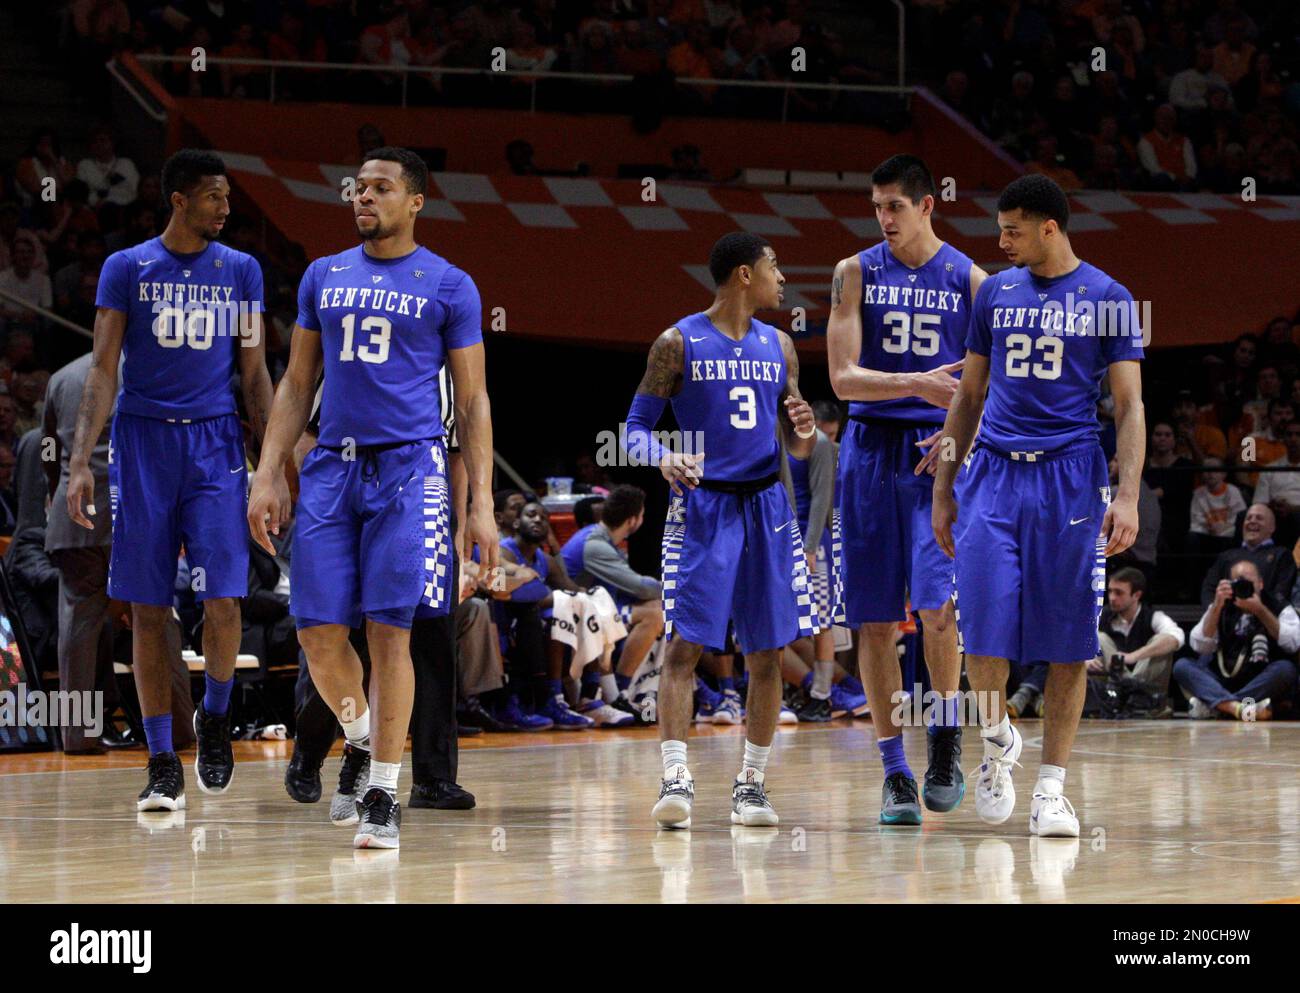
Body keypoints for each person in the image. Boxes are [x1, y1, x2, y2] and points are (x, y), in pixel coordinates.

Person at [248, 146, 495, 849]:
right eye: (358, 187)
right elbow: (296, 384)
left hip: (410, 470)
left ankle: (384, 789)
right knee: (318, 633)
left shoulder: (450, 284)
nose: (364, 197)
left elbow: (472, 401)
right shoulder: (323, 275)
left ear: (415, 201)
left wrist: (478, 502)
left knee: (391, 629)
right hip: (331, 466)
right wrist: (269, 471)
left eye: (381, 188)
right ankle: (358, 737)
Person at [932, 173, 1146, 838]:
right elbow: (967, 398)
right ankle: (997, 741)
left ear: (1050, 226)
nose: (1000, 242)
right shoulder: (994, 293)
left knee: (1066, 644)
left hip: (1070, 480)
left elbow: (1131, 404)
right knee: (984, 626)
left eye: (1012, 229)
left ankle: (1051, 790)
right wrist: (944, 483)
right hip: (992, 474)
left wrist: (1130, 493)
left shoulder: (1109, 298)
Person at [67, 149, 273, 810]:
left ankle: (214, 716)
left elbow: (255, 368)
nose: (226, 207)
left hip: (215, 444)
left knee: (222, 600)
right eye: (216, 197)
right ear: (180, 199)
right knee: (148, 608)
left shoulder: (242, 271)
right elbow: (102, 369)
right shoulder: (126, 267)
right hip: (141, 443)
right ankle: (160, 758)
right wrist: (78, 460)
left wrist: (269, 463)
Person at [624, 230, 817, 830]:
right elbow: (633, 428)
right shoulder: (676, 342)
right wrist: (662, 455)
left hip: (766, 506)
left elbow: (794, 437)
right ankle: (676, 778)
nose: (781, 278)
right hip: (704, 507)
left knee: (767, 652)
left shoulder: (780, 345)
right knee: (685, 646)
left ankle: (751, 785)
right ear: (742, 274)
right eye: (773, 267)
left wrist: (804, 431)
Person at [826, 154, 984, 823]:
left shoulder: (972, 280)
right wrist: (920, 383)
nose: (883, 217)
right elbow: (841, 378)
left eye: (895, 205)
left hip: (935, 460)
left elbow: (992, 381)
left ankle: (945, 744)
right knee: (874, 618)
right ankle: (894, 771)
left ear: (927, 206)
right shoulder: (853, 272)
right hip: (868, 452)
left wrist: (961, 434)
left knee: (940, 609)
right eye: (876, 205)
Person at [560, 484, 663, 718]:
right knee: (655, 614)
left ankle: (650, 692)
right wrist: (674, 589)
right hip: (574, 615)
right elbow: (639, 587)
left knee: (662, 610)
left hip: (598, 609)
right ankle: (620, 690)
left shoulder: (605, 541)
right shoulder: (594, 544)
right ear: (633, 519)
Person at [1177, 559, 1298, 721]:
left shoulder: (1276, 604)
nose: (1243, 586)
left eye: (1248, 582)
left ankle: (1218, 706)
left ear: (1260, 584)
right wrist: (1216, 606)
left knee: (1286, 669)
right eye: (1237, 582)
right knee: (1182, 666)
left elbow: (1293, 642)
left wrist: (1261, 611)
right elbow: (1199, 645)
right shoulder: (1221, 604)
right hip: (1222, 679)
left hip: (1260, 681)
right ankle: (1239, 708)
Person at [1198, 502, 1295, 607]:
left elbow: (1282, 593)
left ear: (1272, 527)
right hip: (1228, 617)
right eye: (1248, 518)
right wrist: (1216, 611)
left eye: (1259, 518)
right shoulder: (1226, 556)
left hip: (1266, 617)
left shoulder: (1282, 555)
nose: (1252, 521)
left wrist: (1259, 610)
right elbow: (1209, 589)